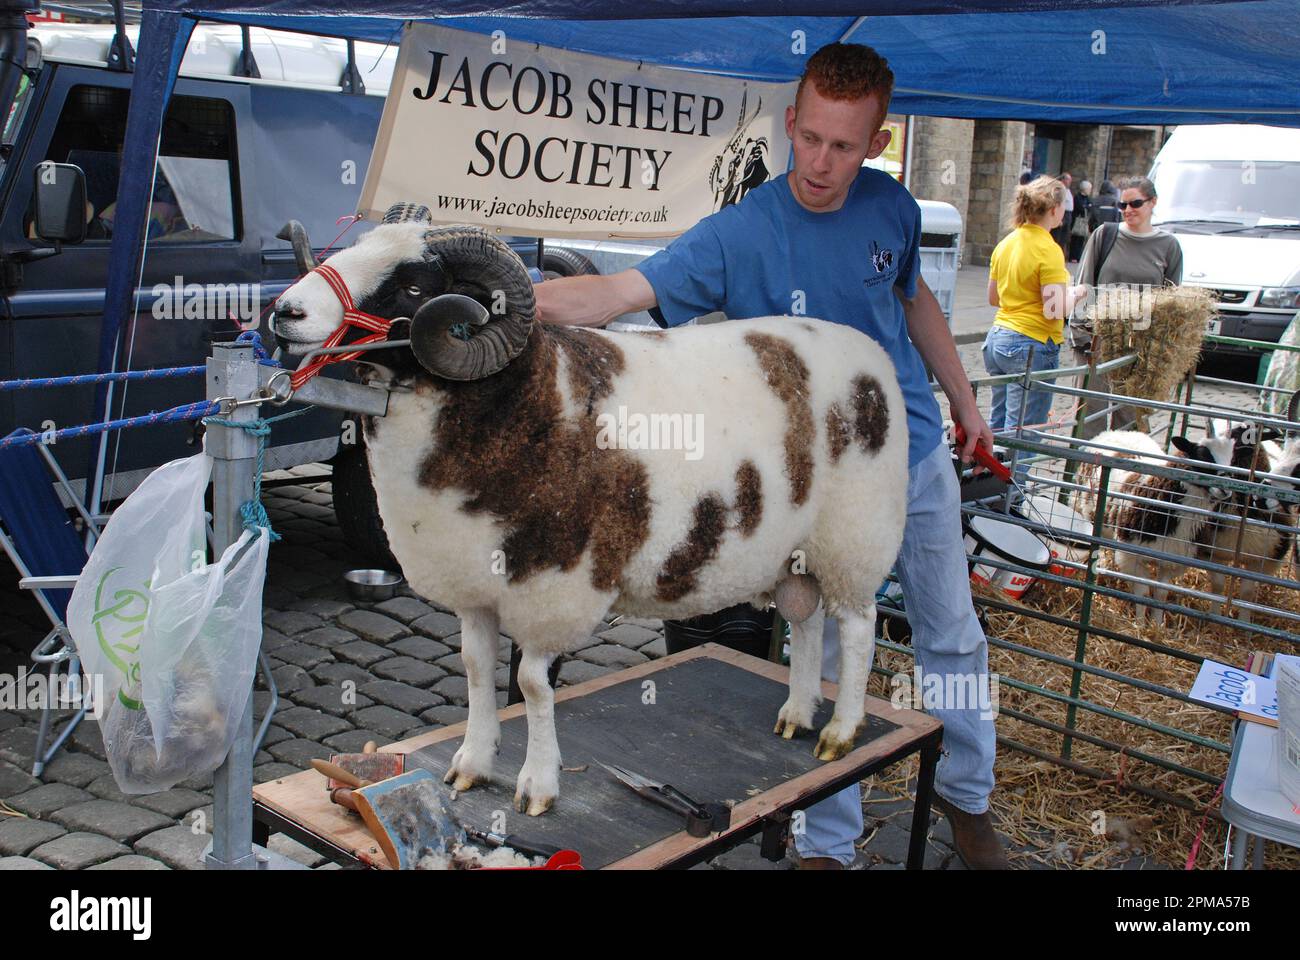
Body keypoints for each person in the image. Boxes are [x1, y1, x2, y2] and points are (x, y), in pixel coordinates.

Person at [535, 42, 1008, 869]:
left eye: (845, 147)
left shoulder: (892, 209)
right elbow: (618, 294)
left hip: (915, 454)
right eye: (811, 138)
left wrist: (964, 400)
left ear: (878, 143)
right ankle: (828, 839)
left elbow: (915, 297)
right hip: (810, 482)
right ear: (791, 122)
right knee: (816, 638)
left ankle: (968, 798)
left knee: (953, 635)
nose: (822, 163)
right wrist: (499, 304)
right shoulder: (738, 233)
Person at [1067, 175, 1184, 435]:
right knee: (1089, 416)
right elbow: (1084, 284)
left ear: (1153, 202)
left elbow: (1170, 303)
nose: (1128, 210)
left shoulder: (1168, 246)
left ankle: (1123, 474)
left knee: (1130, 420)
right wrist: (1080, 336)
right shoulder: (1105, 235)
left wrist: (1160, 352)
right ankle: (1086, 472)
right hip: (1098, 340)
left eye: (1135, 203)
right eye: (1123, 205)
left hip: (1138, 346)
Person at [983, 176, 1088, 448]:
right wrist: (1077, 293)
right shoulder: (1048, 249)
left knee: (999, 424)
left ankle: (986, 487)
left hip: (999, 338)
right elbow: (1055, 308)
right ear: (1053, 209)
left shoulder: (1006, 243)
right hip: (1032, 342)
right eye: (1063, 205)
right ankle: (1013, 490)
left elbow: (994, 297)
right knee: (1024, 431)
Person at [1050, 172, 1074, 259]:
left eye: (1070, 180)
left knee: (1064, 238)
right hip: (1062, 214)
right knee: (1057, 236)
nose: (1069, 182)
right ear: (1063, 180)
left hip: (1068, 215)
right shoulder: (1059, 189)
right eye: (1068, 179)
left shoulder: (1068, 190)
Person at [1069, 179, 1093, 263]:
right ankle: (1073, 256)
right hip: (1077, 221)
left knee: (1082, 239)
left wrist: (1087, 206)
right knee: (1075, 239)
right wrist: (1086, 206)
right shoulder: (1077, 197)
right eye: (1089, 189)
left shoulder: (1088, 198)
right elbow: (1081, 208)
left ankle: (1079, 256)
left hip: (1084, 221)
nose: (1090, 191)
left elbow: (1090, 207)